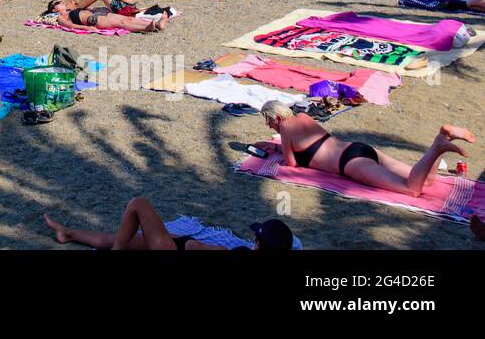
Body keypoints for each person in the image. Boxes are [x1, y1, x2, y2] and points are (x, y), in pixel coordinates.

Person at [257, 102, 475, 199]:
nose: (271, 127)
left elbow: (292, 164)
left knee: (411, 190)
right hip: (357, 148)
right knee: (425, 180)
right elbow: (309, 144)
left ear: (276, 118)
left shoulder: (284, 127)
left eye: (269, 123)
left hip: (350, 164)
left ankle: (438, 144)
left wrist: (277, 150)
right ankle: (443, 139)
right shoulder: (303, 117)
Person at [43, 197, 293, 251]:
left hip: (178, 249)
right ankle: (69, 234)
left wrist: (172, 239)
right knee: (127, 239)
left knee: (138, 204)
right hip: (181, 246)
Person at [42, 0, 168, 32]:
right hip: (93, 20)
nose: (60, 2)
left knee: (128, 18)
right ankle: (148, 27)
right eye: (57, 3)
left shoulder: (71, 9)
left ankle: (157, 24)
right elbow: (69, 26)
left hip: (99, 13)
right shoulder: (61, 17)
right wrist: (86, 28)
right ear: (54, 10)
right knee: (122, 23)